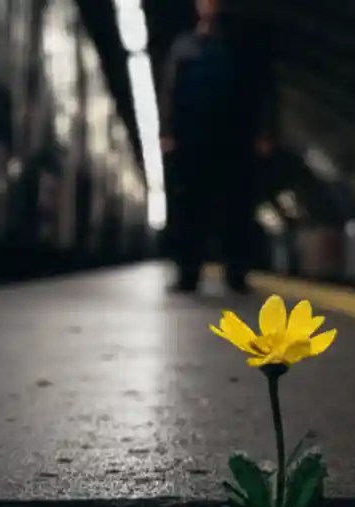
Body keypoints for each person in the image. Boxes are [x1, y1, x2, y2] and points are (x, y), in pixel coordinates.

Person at [159, 0, 275, 293]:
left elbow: (263, 89)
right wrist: (167, 131)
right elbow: (171, 89)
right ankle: (188, 273)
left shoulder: (245, 45)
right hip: (192, 137)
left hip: (235, 137)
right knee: (190, 207)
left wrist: (264, 131)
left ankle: (236, 273)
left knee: (237, 207)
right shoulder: (184, 46)